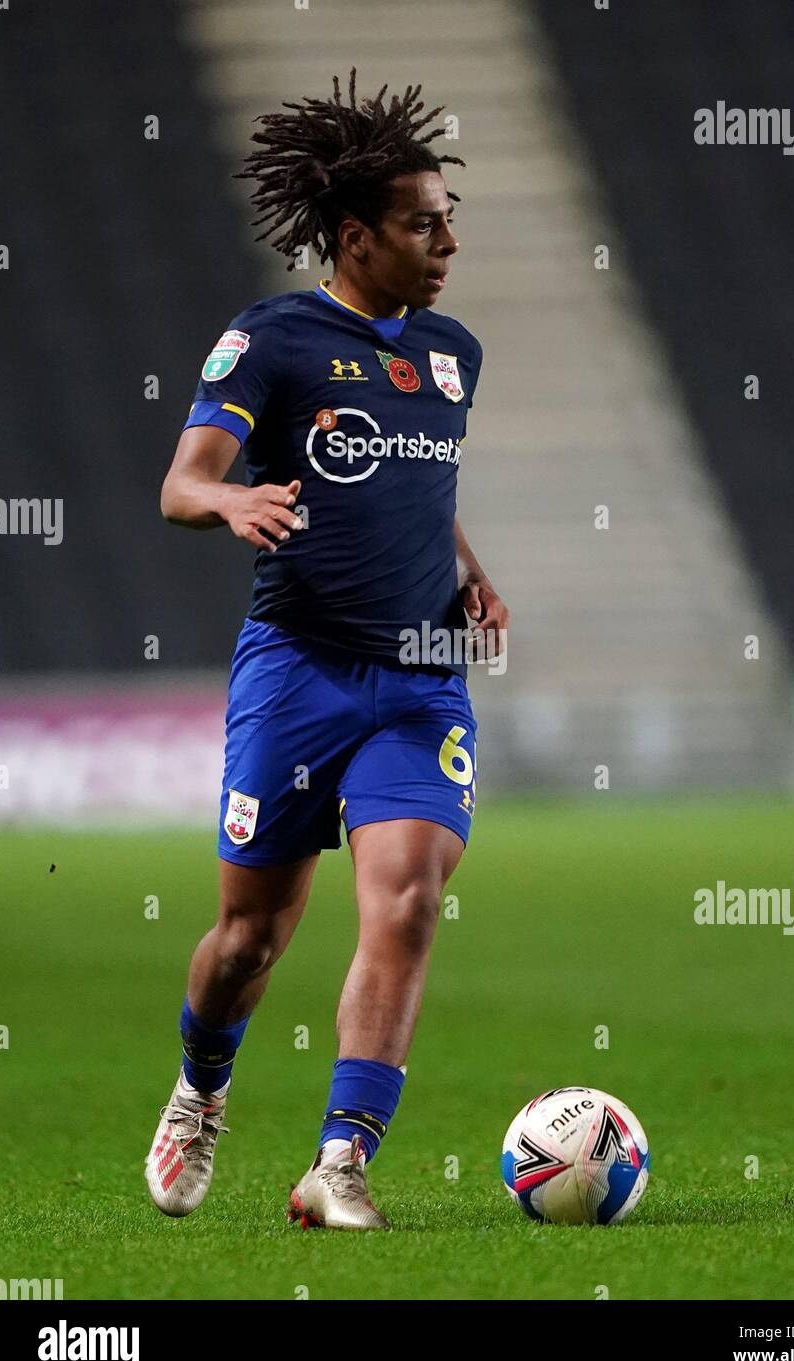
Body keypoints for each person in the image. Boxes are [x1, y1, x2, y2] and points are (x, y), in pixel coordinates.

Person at [145, 71, 508, 1230]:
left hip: (415, 680)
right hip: (298, 670)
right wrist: (234, 503)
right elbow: (181, 484)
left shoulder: (454, 354)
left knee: (406, 904)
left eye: (450, 217)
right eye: (423, 221)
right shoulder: (272, 337)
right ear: (355, 238)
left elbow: (419, 482)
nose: (448, 238)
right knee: (250, 939)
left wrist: (468, 568)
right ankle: (202, 1089)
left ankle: (339, 1163)